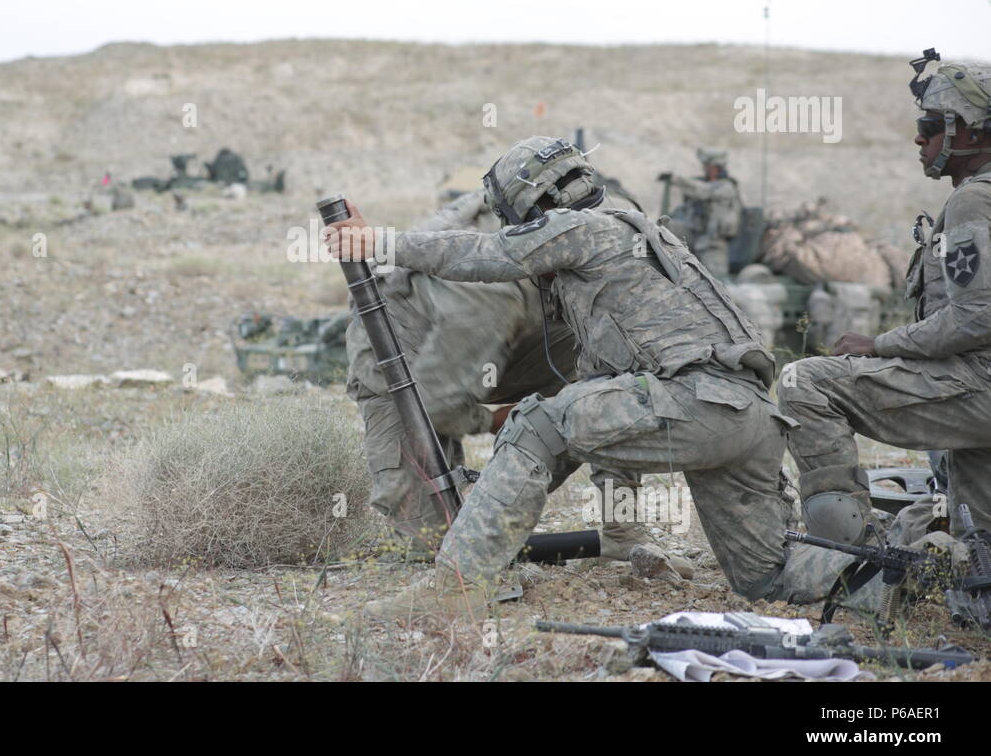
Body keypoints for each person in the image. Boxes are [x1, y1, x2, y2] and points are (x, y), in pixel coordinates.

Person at [325, 137, 849, 620]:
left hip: (697, 403)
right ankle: (886, 575)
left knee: (536, 421)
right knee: (767, 579)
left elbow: (489, 254)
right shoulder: (643, 243)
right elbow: (603, 401)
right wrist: (608, 528)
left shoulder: (579, 228)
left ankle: (455, 588)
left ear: (533, 215)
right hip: (747, 417)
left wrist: (376, 241)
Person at [346, 189, 671, 567]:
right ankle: (480, 517)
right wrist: (498, 420)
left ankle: (617, 536)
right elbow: (437, 406)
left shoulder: (618, 232)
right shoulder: (489, 290)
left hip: (522, 343)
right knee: (429, 549)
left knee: (615, 386)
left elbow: (625, 380)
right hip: (409, 357)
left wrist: (623, 533)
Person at [779, 52, 991, 547]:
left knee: (803, 381)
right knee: (976, 552)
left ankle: (855, 559)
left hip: (978, 386)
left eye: (933, 124)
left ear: (975, 133)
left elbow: (976, 316)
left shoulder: (974, 199)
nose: (921, 138)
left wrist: (880, 343)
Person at [659, 148, 742, 276]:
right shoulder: (703, 182)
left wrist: (677, 179)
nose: (705, 168)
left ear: (717, 167)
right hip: (693, 234)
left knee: (716, 280)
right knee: (662, 227)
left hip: (712, 243)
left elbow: (703, 191)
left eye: (709, 166)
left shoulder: (726, 187)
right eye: (706, 166)